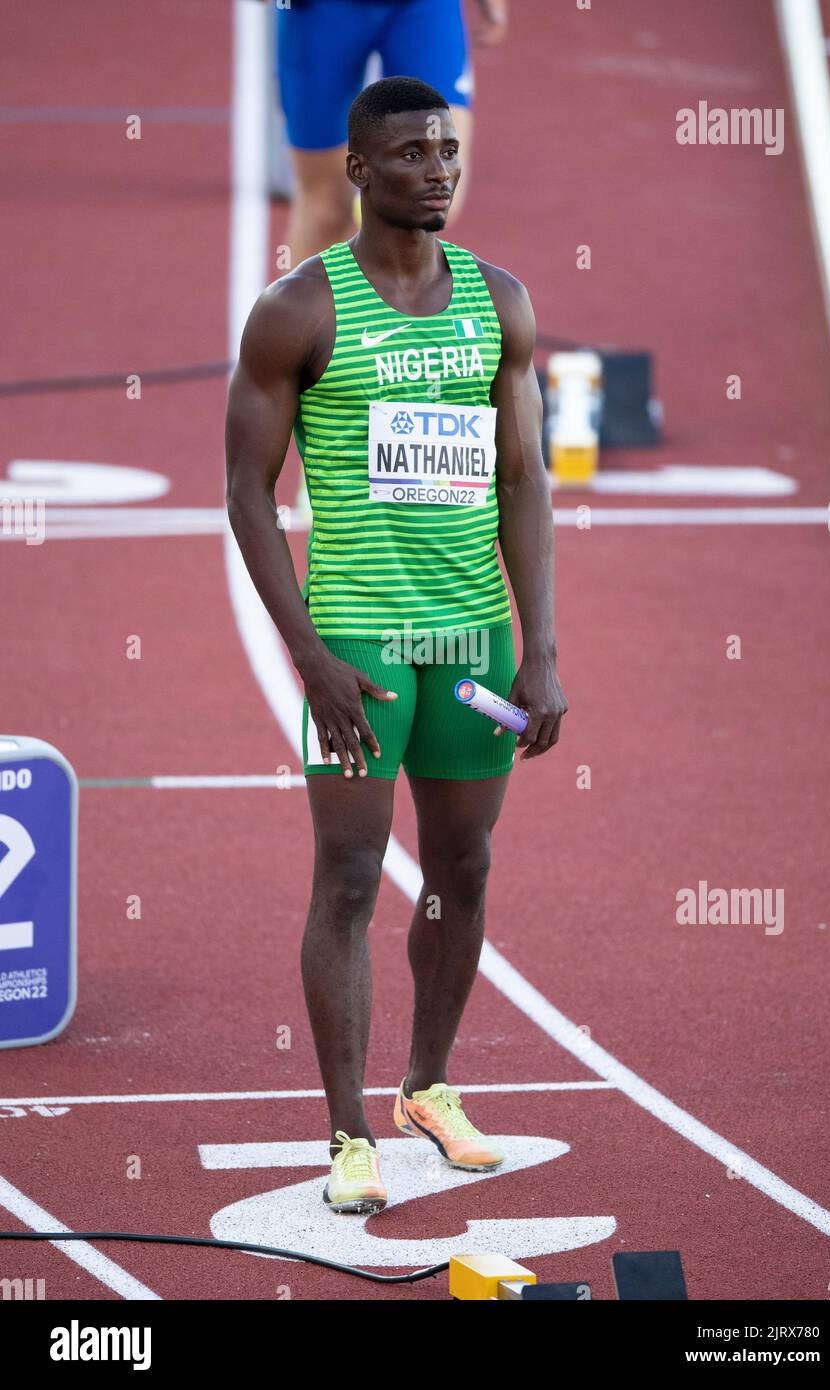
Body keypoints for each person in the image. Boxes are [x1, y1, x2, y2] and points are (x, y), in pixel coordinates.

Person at [225, 76, 566, 1214]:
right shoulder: (298, 311)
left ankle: (430, 1082)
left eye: (448, 149)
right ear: (360, 172)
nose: (439, 168)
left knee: (463, 869)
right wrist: (309, 655)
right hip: (362, 647)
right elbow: (245, 490)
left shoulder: (502, 302)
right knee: (352, 877)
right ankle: (346, 1130)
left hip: (470, 642)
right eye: (413, 153)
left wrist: (543, 647)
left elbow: (523, 478)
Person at [268, 0, 509, 265]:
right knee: (325, 210)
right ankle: (297, 304)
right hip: (322, 12)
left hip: (421, 7)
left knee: (435, 188)